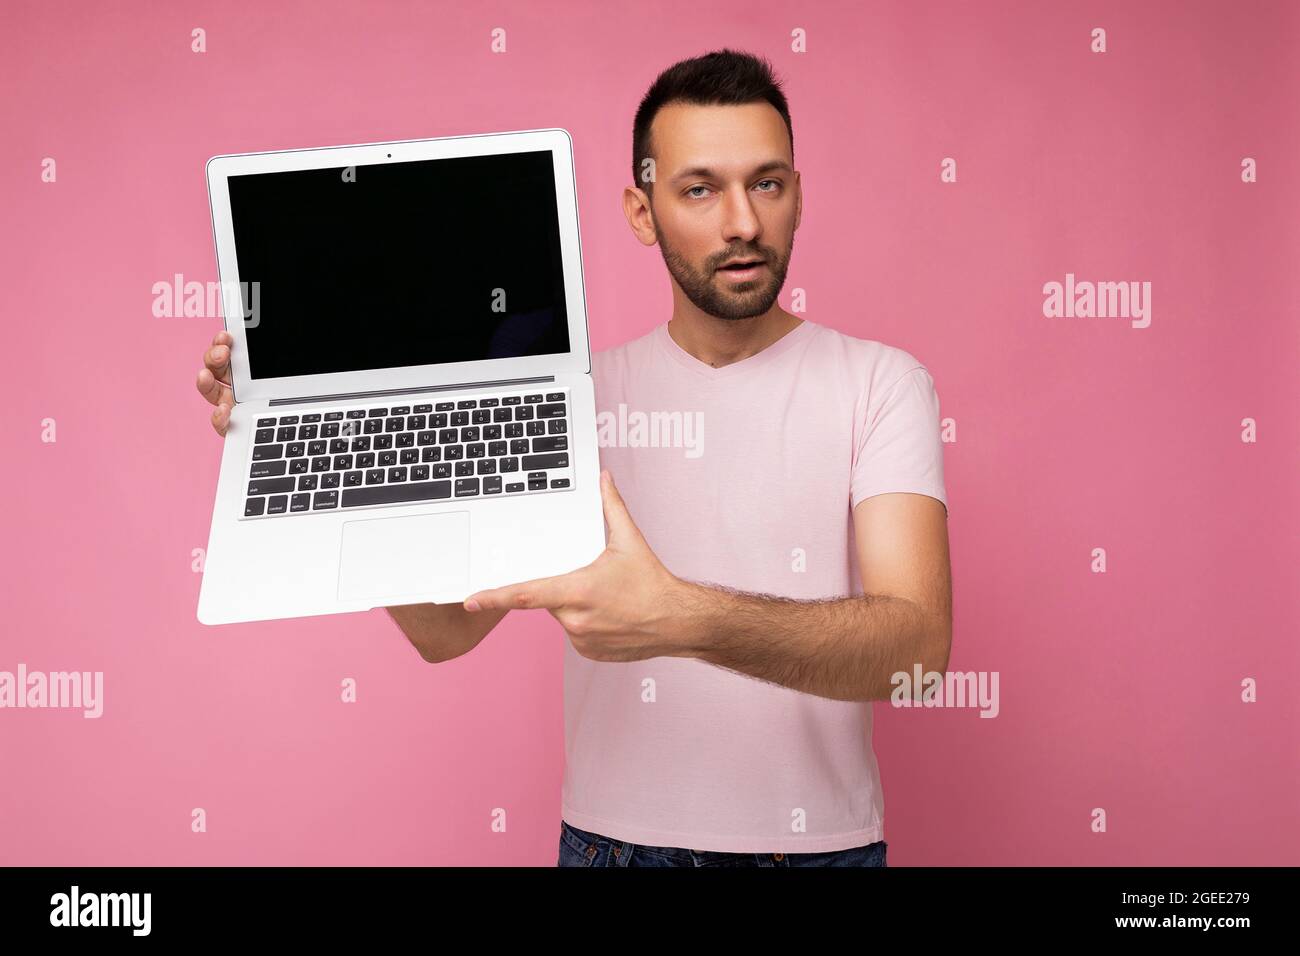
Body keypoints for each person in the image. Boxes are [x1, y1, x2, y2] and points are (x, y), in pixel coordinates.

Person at [196, 49, 952, 868]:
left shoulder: (882, 383)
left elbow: (917, 655)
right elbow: (443, 632)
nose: (741, 222)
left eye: (766, 183)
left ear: (797, 196)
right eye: (699, 188)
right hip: (611, 848)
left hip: (820, 852)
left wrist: (681, 616)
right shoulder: (576, 401)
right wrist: (344, 447)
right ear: (642, 212)